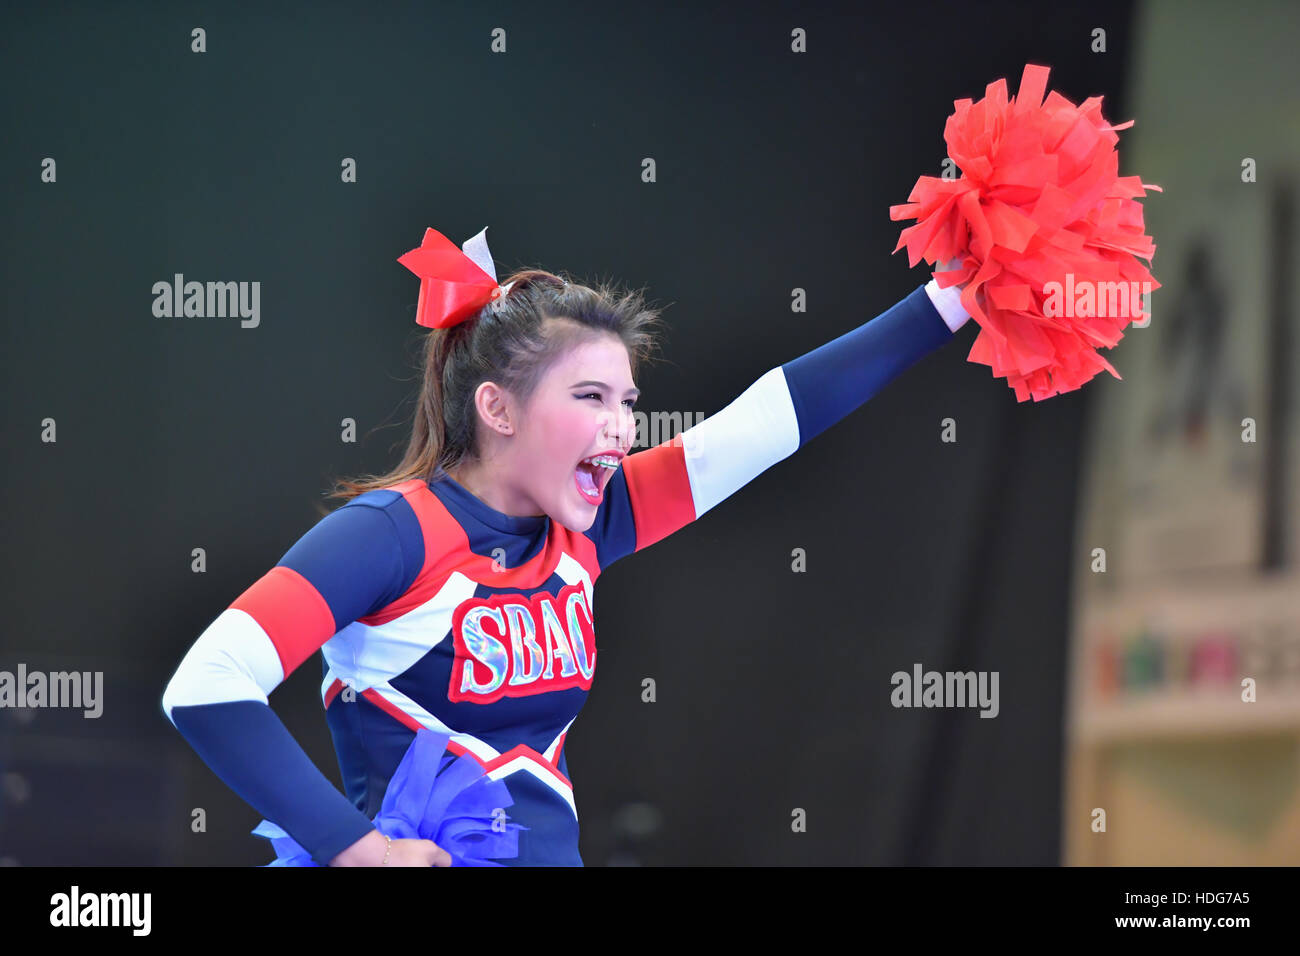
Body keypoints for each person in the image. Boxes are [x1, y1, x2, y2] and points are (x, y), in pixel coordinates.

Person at [161, 226, 973, 866]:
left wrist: (948, 302)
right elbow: (206, 684)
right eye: (591, 397)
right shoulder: (392, 533)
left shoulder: (590, 526)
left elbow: (764, 425)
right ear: (498, 409)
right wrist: (357, 847)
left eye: (627, 400)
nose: (621, 426)